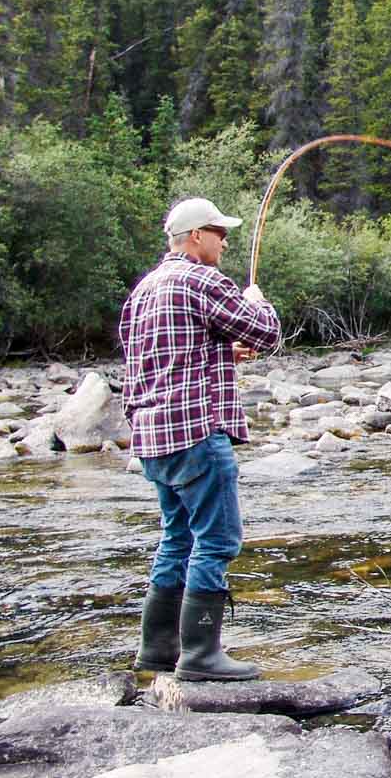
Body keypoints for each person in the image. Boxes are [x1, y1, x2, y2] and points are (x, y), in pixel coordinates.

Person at [119, 197, 281, 681]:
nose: (225, 240)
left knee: (177, 539)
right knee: (217, 541)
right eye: (217, 231)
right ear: (194, 236)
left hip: (152, 438)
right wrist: (256, 302)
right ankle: (201, 655)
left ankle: (157, 651)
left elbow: (158, 357)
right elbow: (268, 334)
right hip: (195, 431)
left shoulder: (144, 289)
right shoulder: (201, 279)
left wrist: (223, 353)